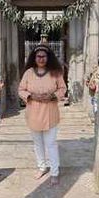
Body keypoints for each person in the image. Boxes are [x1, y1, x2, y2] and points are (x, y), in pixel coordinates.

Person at [18, 44, 67, 186]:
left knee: (51, 144)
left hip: (50, 113)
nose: (41, 59)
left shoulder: (55, 72)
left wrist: (53, 96)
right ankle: (41, 167)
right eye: (38, 56)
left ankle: (54, 172)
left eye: (44, 56)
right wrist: (30, 96)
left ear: (48, 57)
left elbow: (63, 88)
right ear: (34, 58)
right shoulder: (28, 73)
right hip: (33, 112)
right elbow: (21, 89)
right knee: (37, 143)